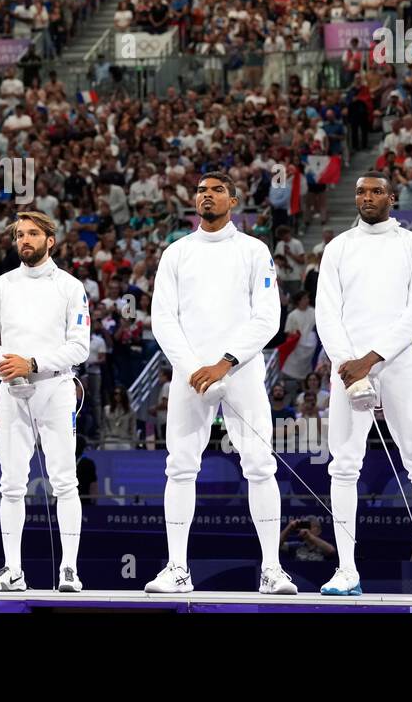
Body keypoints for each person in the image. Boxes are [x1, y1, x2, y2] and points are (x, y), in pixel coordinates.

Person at [146, 172, 297, 596]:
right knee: (180, 466)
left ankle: (272, 570)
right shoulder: (176, 253)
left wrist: (224, 362)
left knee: (260, 464)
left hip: (241, 371)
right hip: (190, 374)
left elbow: (267, 317)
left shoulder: (253, 250)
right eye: (201, 191)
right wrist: (194, 367)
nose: (207, 196)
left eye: (216, 191)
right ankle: (177, 569)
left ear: (233, 200)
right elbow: (163, 318)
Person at [314, 173, 412, 597]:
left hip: (399, 365)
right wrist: (348, 364)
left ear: (392, 197)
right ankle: (346, 571)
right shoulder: (338, 248)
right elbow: (326, 313)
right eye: (360, 191)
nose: (367, 197)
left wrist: (370, 360)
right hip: (347, 368)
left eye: (376, 191)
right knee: (343, 465)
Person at [0, 210, 89, 593]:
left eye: (33, 234)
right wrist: (6, 363)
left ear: (49, 240)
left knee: (65, 482)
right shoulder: (3, 285)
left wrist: (34, 363)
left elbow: (80, 346)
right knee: (11, 484)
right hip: (13, 390)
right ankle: (13, 570)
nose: (24, 240)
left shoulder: (70, 286)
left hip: (55, 389)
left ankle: (69, 569)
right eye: (20, 234)